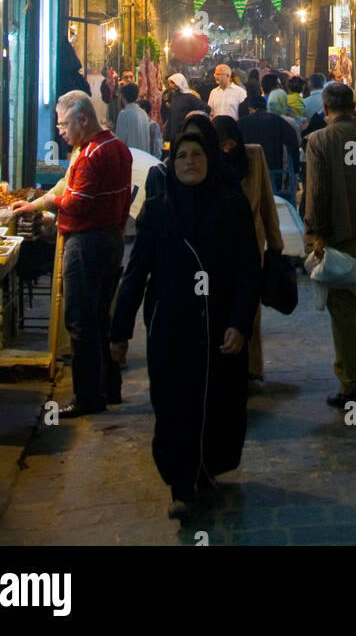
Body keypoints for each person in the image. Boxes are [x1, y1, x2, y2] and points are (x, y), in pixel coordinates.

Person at [110, 127, 261, 520]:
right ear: (171, 164)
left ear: (210, 159)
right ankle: (180, 483)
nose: (189, 162)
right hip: (170, 325)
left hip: (218, 324)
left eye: (196, 155)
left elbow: (248, 270)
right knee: (174, 404)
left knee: (217, 401)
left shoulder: (232, 206)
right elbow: (136, 272)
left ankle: (205, 467)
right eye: (181, 157)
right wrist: (120, 330)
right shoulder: (158, 210)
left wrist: (240, 323)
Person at [12, 91, 132, 417]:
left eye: (64, 124)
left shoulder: (93, 154)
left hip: (86, 243)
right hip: (111, 239)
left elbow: (76, 202)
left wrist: (51, 214)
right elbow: (65, 186)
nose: (60, 131)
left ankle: (87, 397)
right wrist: (35, 205)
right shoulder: (115, 147)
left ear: (82, 119)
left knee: (80, 322)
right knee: (99, 317)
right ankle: (109, 388)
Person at [305, 81, 356, 409]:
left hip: (339, 236)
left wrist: (316, 234)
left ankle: (352, 384)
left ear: (326, 110)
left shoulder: (319, 141)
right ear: (354, 107)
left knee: (343, 311)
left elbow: (317, 191)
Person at [213, 116, 284, 382]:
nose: (227, 150)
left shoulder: (253, 156)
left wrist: (275, 243)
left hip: (253, 243)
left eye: (231, 144)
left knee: (250, 307)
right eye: (222, 145)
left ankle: (251, 366)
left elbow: (266, 199)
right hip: (220, 246)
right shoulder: (209, 163)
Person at [238, 93, 300, 203]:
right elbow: (292, 142)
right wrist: (295, 167)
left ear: (250, 108)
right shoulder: (277, 120)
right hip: (274, 168)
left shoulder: (242, 123)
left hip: (249, 168)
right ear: (265, 106)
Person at [266, 87, 302, 206]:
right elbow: (298, 142)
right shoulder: (290, 121)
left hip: (268, 163)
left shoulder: (265, 120)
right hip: (285, 165)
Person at [164, 72, 206, 143]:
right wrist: (167, 134)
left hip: (185, 133)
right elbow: (171, 116)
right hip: (174, 134)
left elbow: (205, 108)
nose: (170, 85)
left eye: (172, 83)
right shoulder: (173, 96)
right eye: (170, 83)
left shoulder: (189, 97)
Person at [115, 81, 154, 154]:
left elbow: (120, 143)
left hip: (131, 158)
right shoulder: (143, 113)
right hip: (144, 157)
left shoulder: (124, 114)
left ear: (123, 96)